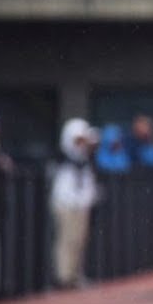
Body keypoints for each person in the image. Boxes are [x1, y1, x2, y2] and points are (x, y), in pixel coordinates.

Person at [52, 118, 99, 289]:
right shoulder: (64, 159)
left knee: (79, 240)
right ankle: (64, 277)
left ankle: (76, 275)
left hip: (81, 205)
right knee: (67, 240)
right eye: (79, 141)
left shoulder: (84, 161)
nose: (82, 144)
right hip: (66, 204)